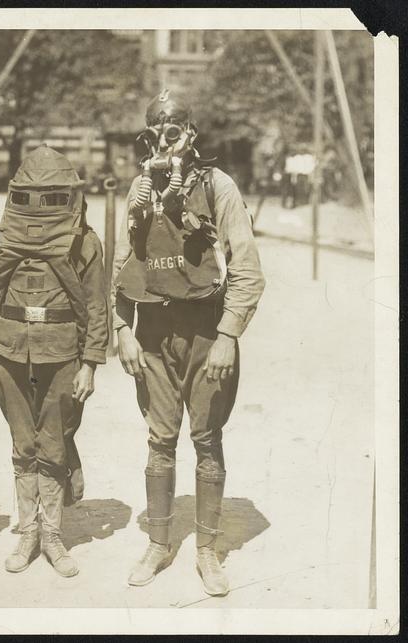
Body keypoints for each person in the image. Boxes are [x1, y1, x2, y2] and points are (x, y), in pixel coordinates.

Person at [113, 89, 265, 596]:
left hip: (205, 328)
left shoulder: (218, 185)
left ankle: (206, 549)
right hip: (152, 333)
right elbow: (120, 266)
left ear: (190, 134)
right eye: (154, 132)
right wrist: (121, 331)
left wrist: (228, 336)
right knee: (159, 439)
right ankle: (158, 542)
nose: (163, 141)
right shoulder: (138, 191)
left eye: (172, 131)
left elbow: (246, 268)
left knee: (206, 438)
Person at [0, 145, 109, 578]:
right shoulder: (9, 242)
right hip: (11, 351)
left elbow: (95, 304)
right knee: (22, 445)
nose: (40, 207)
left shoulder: (86, 243)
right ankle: (28, 531)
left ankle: (52, 533)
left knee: (52, 443)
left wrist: (90, 362)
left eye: (51, 196)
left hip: (61, 354)